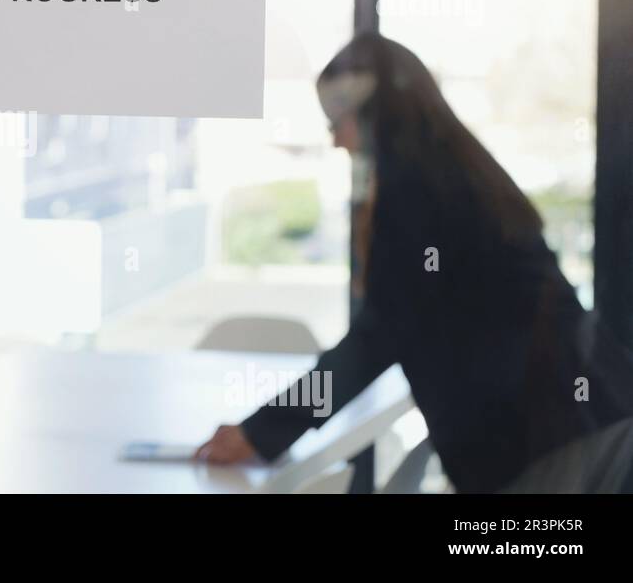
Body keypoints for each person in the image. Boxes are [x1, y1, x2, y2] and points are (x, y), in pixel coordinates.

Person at [197, 32, 633, 493]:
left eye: (337, 120)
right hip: (592, 413)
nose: (336, 141)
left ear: (373, 114)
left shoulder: (415, 192)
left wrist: (263, 430)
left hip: (550, 436)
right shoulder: (459, 169)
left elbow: (377, 335)